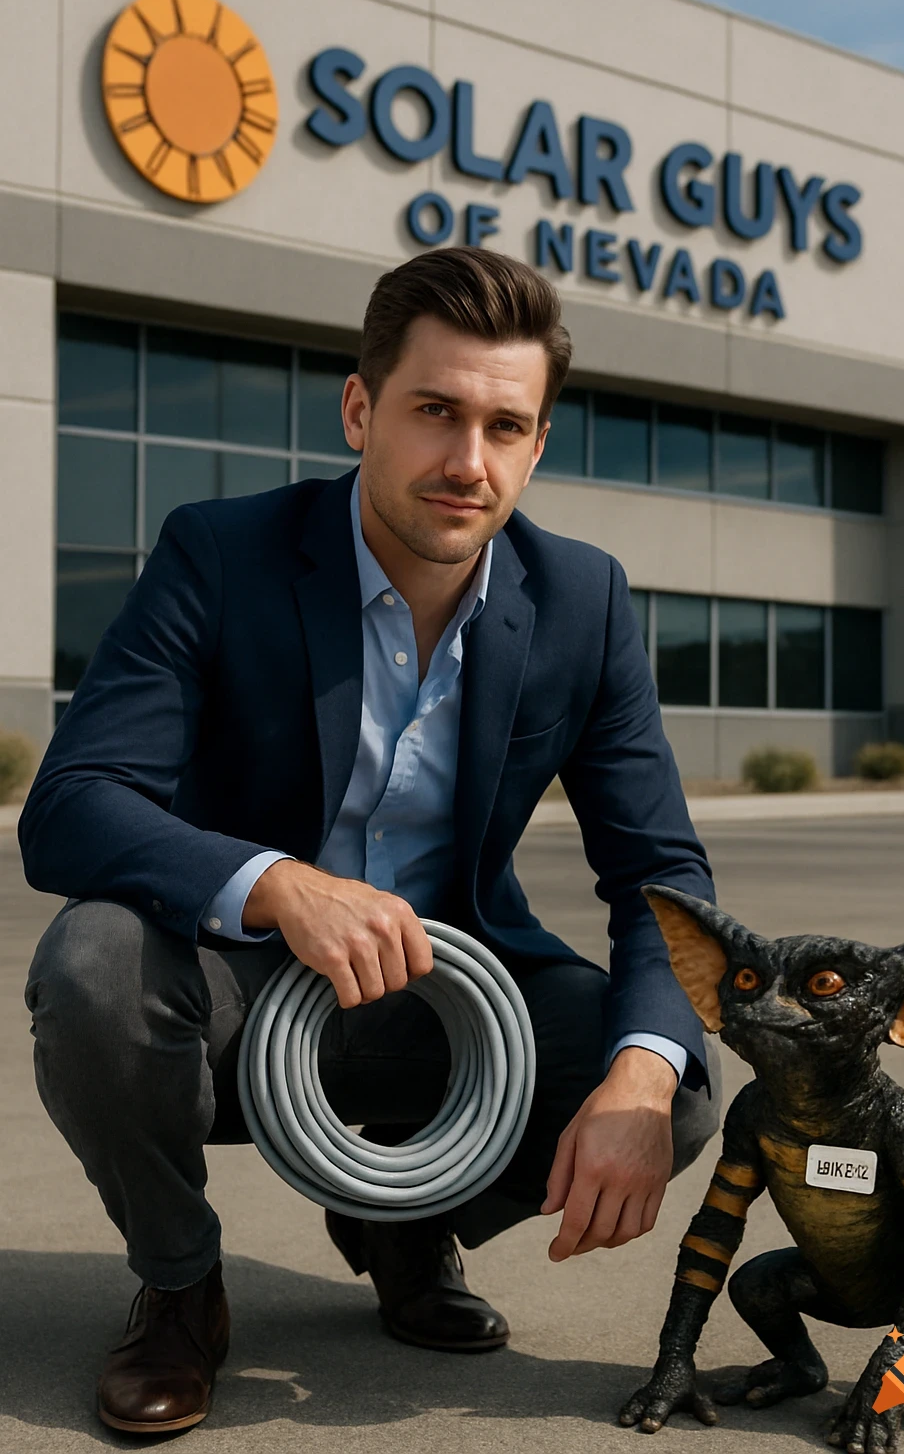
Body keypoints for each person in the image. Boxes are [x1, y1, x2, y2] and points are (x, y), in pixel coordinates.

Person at [20, 247, 722, 1436]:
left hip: (452, 994)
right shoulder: (221, 553)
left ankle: (404, 1219)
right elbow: (74, 801)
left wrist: (643, 1076)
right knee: (93, 966)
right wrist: (281, 885)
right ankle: (181, 1285)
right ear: (360, 411)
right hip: (238, 990)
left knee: (675, 1085)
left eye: (504, 426)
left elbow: (661, 875)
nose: (467, 461)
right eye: (434, 411)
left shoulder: (583, 600)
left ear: (536, 446)